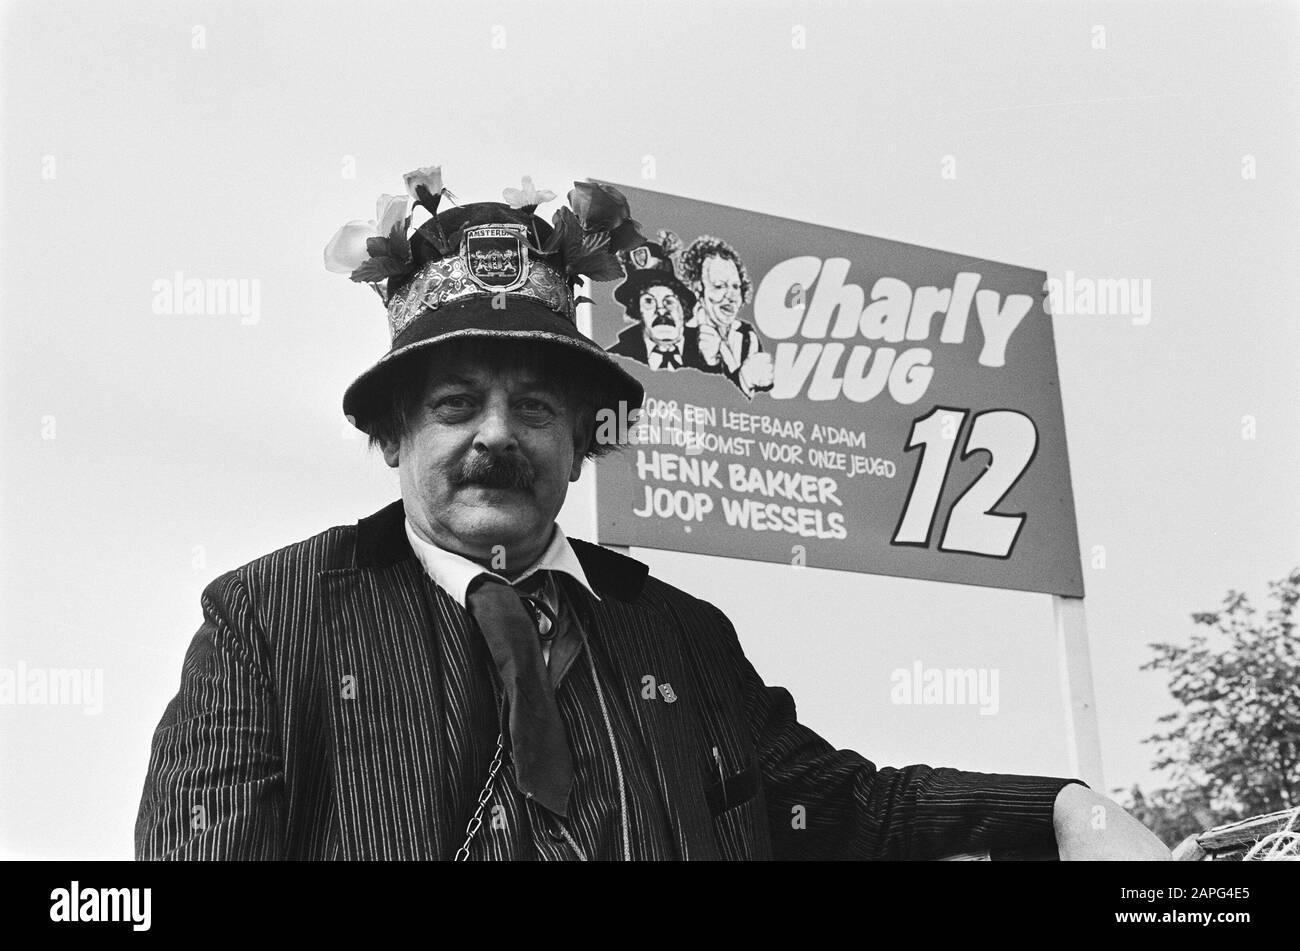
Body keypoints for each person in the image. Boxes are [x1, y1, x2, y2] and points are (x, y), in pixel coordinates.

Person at [135, 169, 1169, 861]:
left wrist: (1063, 807)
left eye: (536, 408)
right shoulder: (269, 616)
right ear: (393, 438)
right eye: (455, 405)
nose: (495, 436)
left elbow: (839, 805)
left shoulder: (679, 632)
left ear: (586, 441)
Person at [679, 235, 775, 398]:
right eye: (719, 286)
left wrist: (762, 384)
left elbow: (759, 405)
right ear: (698, 289)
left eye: (736, 286)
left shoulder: (746, 334)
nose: (731, 296)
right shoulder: (682, 336)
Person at [606, 233, 707, 372]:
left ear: (683, 308)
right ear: (637, 311)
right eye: (649, 301)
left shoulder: (709, 357)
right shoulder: (613, 360)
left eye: (669, 301)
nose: (661, 311)